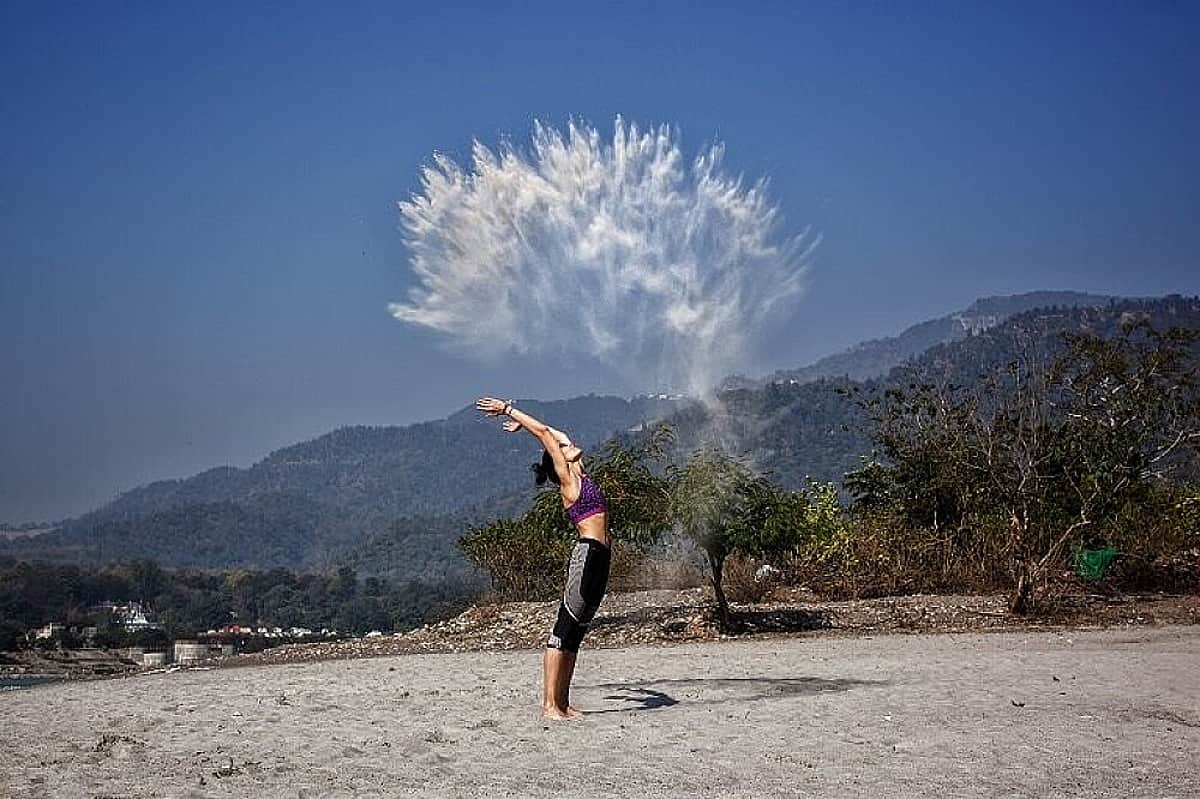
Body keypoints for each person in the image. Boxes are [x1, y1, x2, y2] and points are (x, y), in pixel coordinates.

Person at [475, 396, 611, 720]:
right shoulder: (569, 481)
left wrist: (525, 423)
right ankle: (549, 705)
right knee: (563, 629)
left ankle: (563, 703)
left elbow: (557, 433)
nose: (568, 445)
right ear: (558, 462)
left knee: (577, 634)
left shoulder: (582, 473)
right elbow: (548, 437)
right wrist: (509, 411)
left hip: (602, 556)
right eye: (562, 450)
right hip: (588, 553)